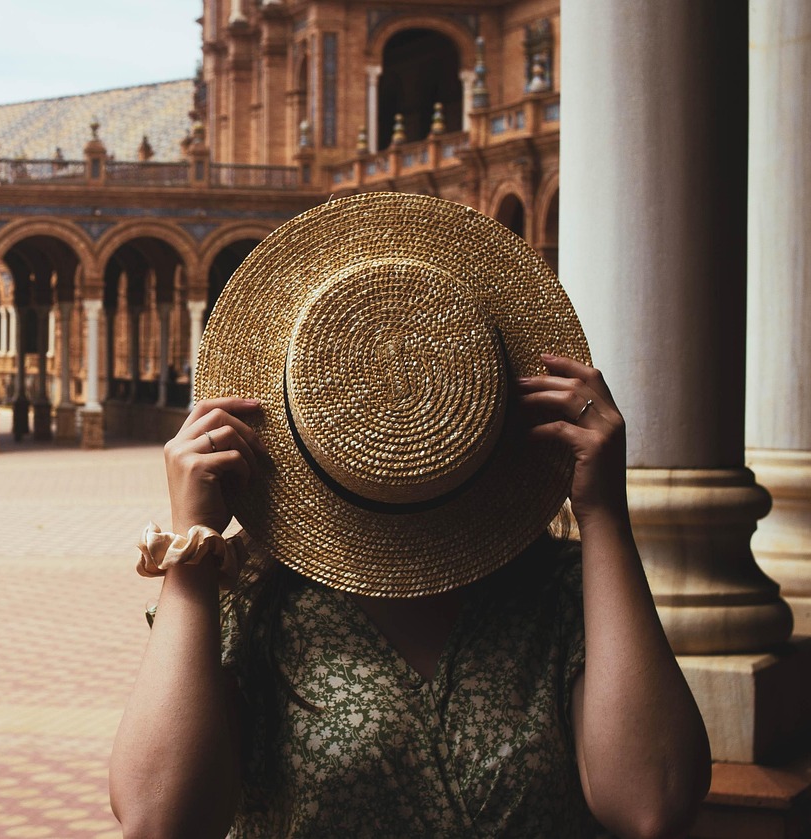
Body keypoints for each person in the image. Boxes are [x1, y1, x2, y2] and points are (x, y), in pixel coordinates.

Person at [109, 193, 711, 838]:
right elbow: (157, 821)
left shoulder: (564, 594)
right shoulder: (246, 602)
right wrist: (192, 553)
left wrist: (603, 516)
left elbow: (652, 804)